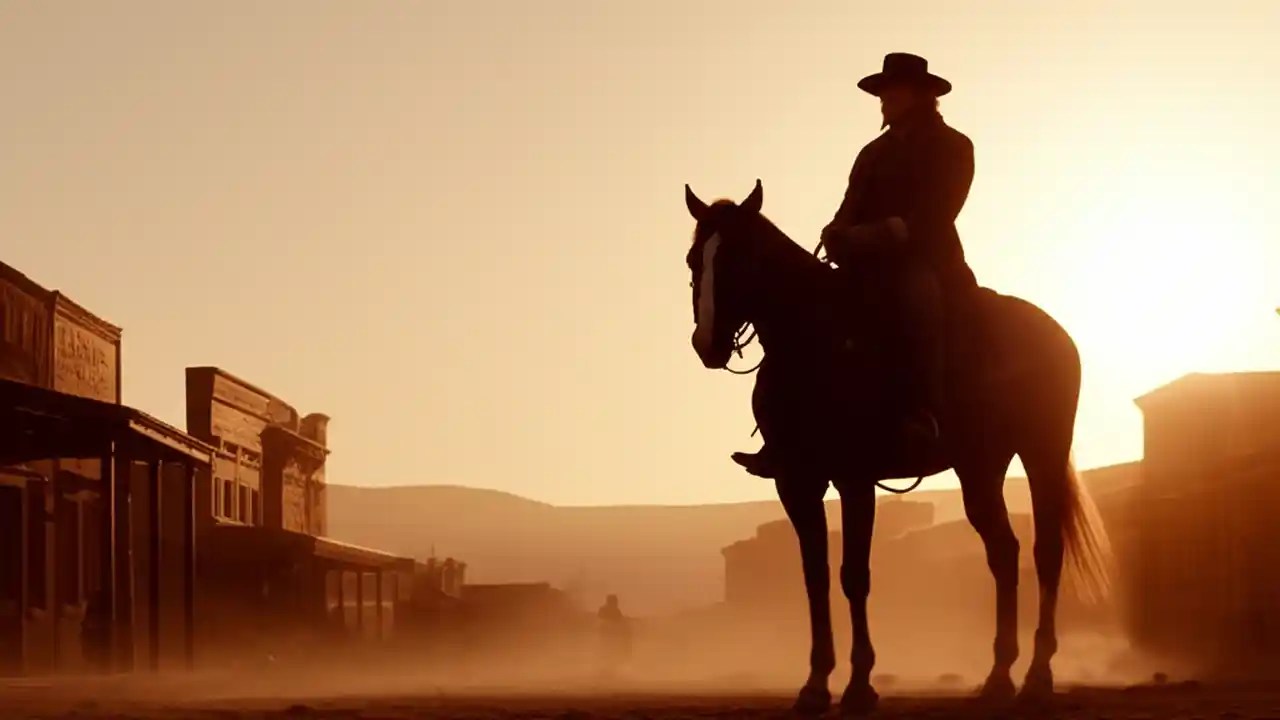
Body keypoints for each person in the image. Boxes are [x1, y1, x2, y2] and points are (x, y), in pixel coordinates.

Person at [733, 52, 978, 479]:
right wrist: (837, 231)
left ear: (919, 95)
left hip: (928, 261)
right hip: (866, 266)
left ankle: (923, 412)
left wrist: (879, 234)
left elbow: (938, 213)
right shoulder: (872, 153)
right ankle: (787, 430)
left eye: (891, 92)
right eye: (882, 94)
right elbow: (850, 205)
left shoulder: (953, 146)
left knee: (916, 303)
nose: (883, 101)